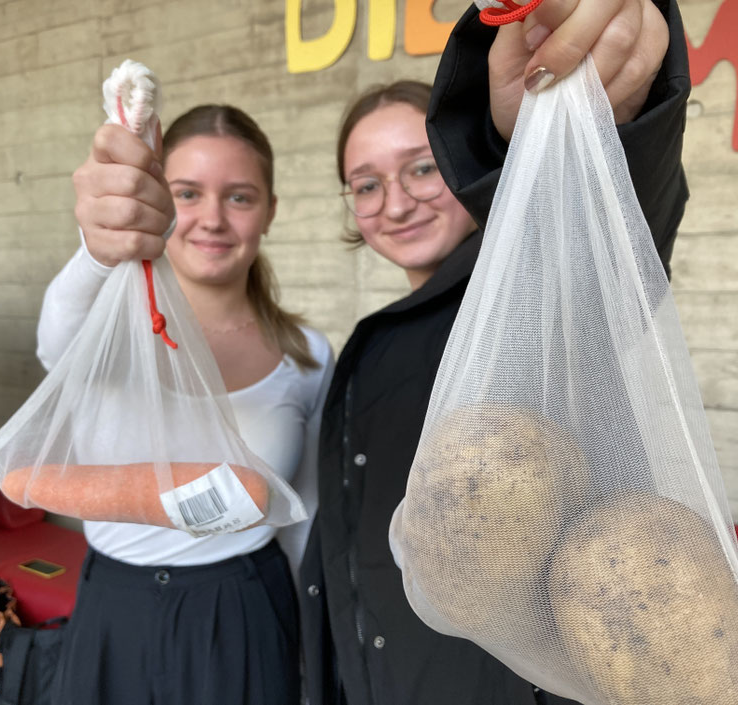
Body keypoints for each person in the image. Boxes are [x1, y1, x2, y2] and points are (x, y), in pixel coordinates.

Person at [297, 0, 691, 704]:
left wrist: (600, 123)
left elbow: (609, 232)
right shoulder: (372, 337)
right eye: (366, 183)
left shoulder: (534, 299)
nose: (395, 202)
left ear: (458, 162)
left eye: (420, 168)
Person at [37, 105, 334, 705]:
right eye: (187, 193)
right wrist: (98, 247)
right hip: (114, 607)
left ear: (270, 210)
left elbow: (302, 512)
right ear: (156, 203)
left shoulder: (306, 353)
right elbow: (53, 344)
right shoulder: (105, 329)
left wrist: (312, 640)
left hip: (245, 604)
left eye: (240, 197)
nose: (212, 219)